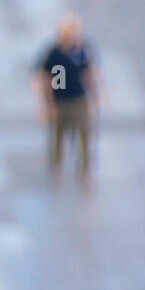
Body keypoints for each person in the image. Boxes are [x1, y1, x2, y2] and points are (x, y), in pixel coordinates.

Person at [32, 13, 104, 181]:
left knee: (84, 135)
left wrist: (97, 94)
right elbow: (44, 77)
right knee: (58, 137)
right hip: (60, 101)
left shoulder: (82, 50)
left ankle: (84, 171)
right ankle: (56, 169)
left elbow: (90, 72)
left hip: (79, 100)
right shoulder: (54, 53)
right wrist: (46, 105)